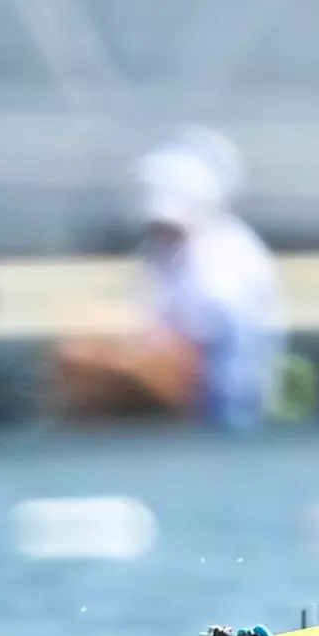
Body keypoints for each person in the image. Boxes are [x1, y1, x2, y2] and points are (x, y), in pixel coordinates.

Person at [48, 128, 282, 431]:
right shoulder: (161, 252)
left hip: (221, 407)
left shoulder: (227, 259)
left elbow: (209, 350)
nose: (163, 230)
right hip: (184, 393)